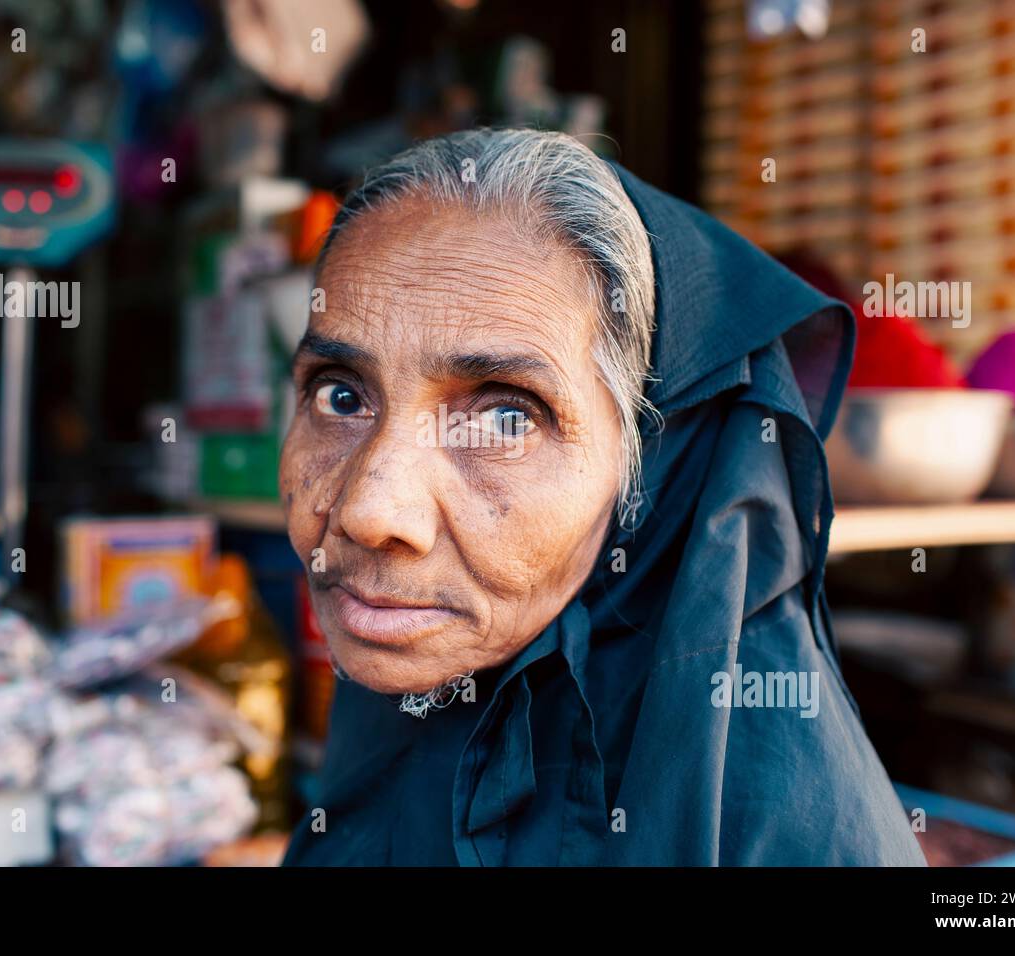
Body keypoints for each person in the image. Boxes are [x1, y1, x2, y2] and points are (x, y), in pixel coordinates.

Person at [277, 128, 925, 865]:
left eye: (506, 418)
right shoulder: (415, 678)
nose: (370, 512)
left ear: (648, 456)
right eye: (340, 395)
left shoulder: (779, 831)